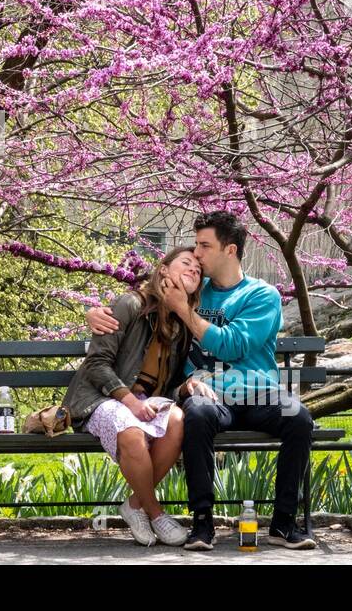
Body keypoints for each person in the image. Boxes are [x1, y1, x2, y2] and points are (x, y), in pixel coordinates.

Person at [86, 212, 316, 551]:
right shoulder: (193, 288)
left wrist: (184, 310)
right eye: (195, 245)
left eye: (205, 246)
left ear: (230, 250)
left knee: (299, 419)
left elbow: (232, 344)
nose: (197, 254)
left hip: (259, 392)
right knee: (197, 415)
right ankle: (202, 524)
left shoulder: (261, 295)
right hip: (206, 394)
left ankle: (283, 523)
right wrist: (94, 312)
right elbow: (146, 298)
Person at [61, 247, 202, 547]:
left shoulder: (181, 324)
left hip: (145, 402)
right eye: (185, 263)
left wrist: (184, 389)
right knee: (130, 427)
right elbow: (97, 363)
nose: (193, 270)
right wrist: (130, 401)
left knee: (177, 418)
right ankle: (155, 512)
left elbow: (170, 384)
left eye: (198, 270)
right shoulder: (131, 303)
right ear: (163, 270)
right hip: (102, 398)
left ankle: (135, 505)